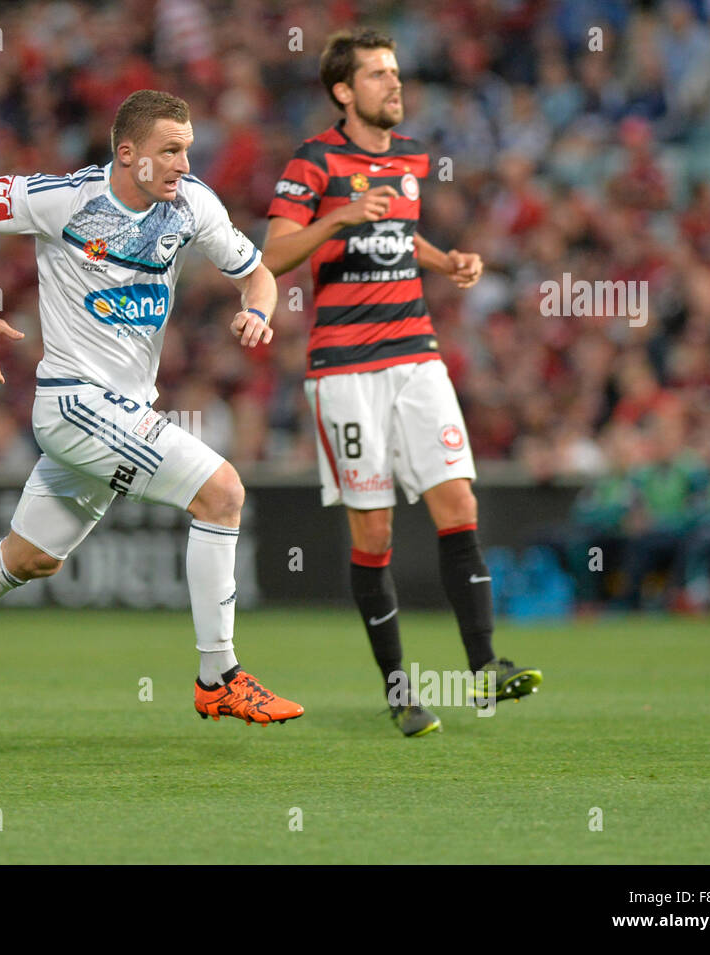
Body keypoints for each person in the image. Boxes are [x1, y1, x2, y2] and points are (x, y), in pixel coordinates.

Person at [0, 89, 303, 734]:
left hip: (124, 409)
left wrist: (258, 310)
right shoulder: (64, 199)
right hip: (73, 402)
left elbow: (258, 272)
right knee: (222, 493)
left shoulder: (192, 205)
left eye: (188, 149)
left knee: (29, 558)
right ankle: (220, 677)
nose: (185, 163)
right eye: (170, 151)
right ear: (128, 154)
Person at [262, 30, 541, 737]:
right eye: (379, 75)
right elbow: (274, 254)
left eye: (395, 72)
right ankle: (399, 689)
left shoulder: (413, 157)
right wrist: (338, 215)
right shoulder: (313, 161)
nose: (395, 84)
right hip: (345, 366)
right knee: (376, 528)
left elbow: (397, 235)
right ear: (343, 92)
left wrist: (446, 262)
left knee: (457, 498)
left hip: (416, 354)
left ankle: (486, 665)